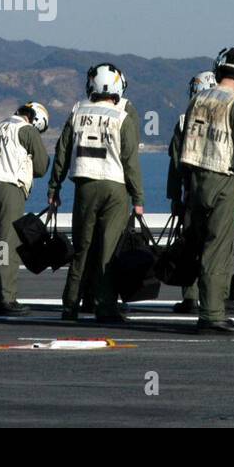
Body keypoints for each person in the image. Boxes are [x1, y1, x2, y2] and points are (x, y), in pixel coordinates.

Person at [49, 63, 144, 323]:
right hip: (115, 187)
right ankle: (106, 306)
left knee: (82, 248)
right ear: (117, 87)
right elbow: (130, 161)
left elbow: (62, 152)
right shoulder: (122, 117)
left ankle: (70, 305)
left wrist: (53, 187)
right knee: (108, 250)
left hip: (84, 186)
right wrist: (138, 198)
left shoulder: (77, 112)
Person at [179, 47, 234, 335]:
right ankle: (212, 313)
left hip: (195, 178)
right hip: (223, 180)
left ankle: (207, 305)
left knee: (201, 245)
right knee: (217, 248)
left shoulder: (198, 99)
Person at [0, 101, 50, 316]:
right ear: (37, 120)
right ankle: (5, 298)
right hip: (10, 188)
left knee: (0, 244)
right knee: (8, 245)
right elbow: (41, 166)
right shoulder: (27, 130)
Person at [167, 71, 214, 316]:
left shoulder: (184, 120)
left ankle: (191, 296)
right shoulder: (226, 113)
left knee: (190, 244)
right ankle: (218, 295)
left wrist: (175, 197)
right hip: (220, 192)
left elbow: (175, 163)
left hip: (191, 193)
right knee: (217, 245)